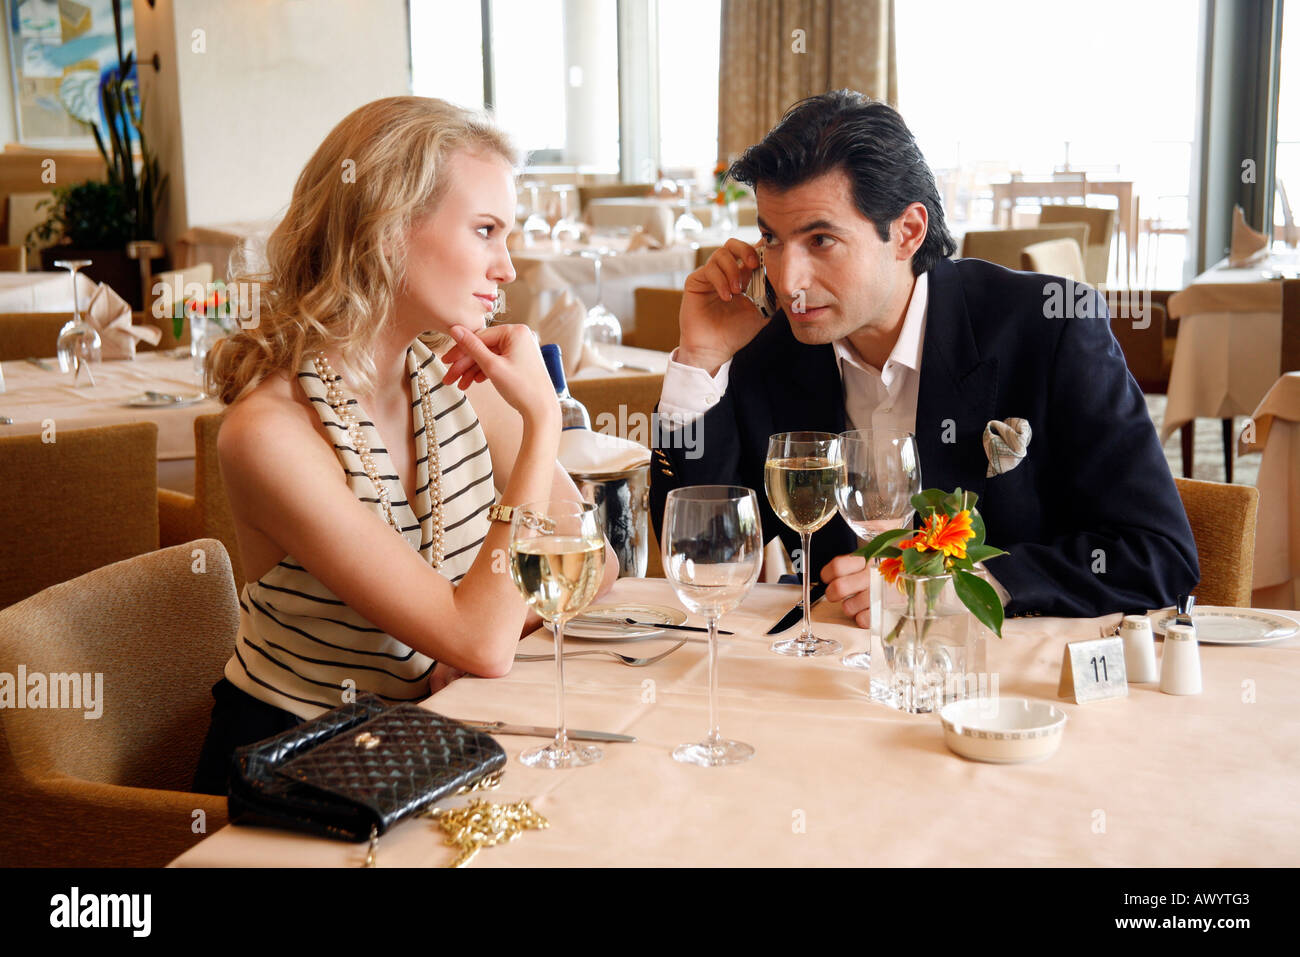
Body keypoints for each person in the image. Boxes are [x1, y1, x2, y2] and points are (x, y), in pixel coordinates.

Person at [192, 96, 617, 794]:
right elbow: (477, 639)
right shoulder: (270, 433)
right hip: (299, 773)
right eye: (485, 230)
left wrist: (492, 630)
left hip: (432, 740)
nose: (508, 268)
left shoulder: (459, 383)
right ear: (387, 230)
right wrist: (543, 423)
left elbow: (595, 563)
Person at [649, 90, 1197, 623]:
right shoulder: (773, 347)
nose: (788, 280)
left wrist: (964, 583)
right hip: (834, 683)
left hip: (1016, 691)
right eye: (772, 239)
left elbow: (1159, 556)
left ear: (908, 232)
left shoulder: (1052, 328)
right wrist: (702, 359)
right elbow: (699, 554)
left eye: (820, 241)